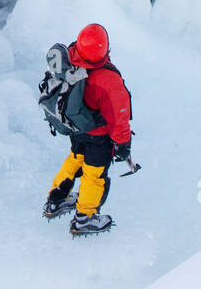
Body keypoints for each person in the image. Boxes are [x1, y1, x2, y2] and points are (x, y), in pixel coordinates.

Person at [42, 23, 133, 236]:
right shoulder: (107, 80)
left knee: (75, 159)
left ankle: (56, 199)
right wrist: (123, 145)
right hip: (98, 137)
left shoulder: (71, 56)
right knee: (94, 174)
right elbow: (119, 117)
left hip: (77, 129)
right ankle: (85, 218)